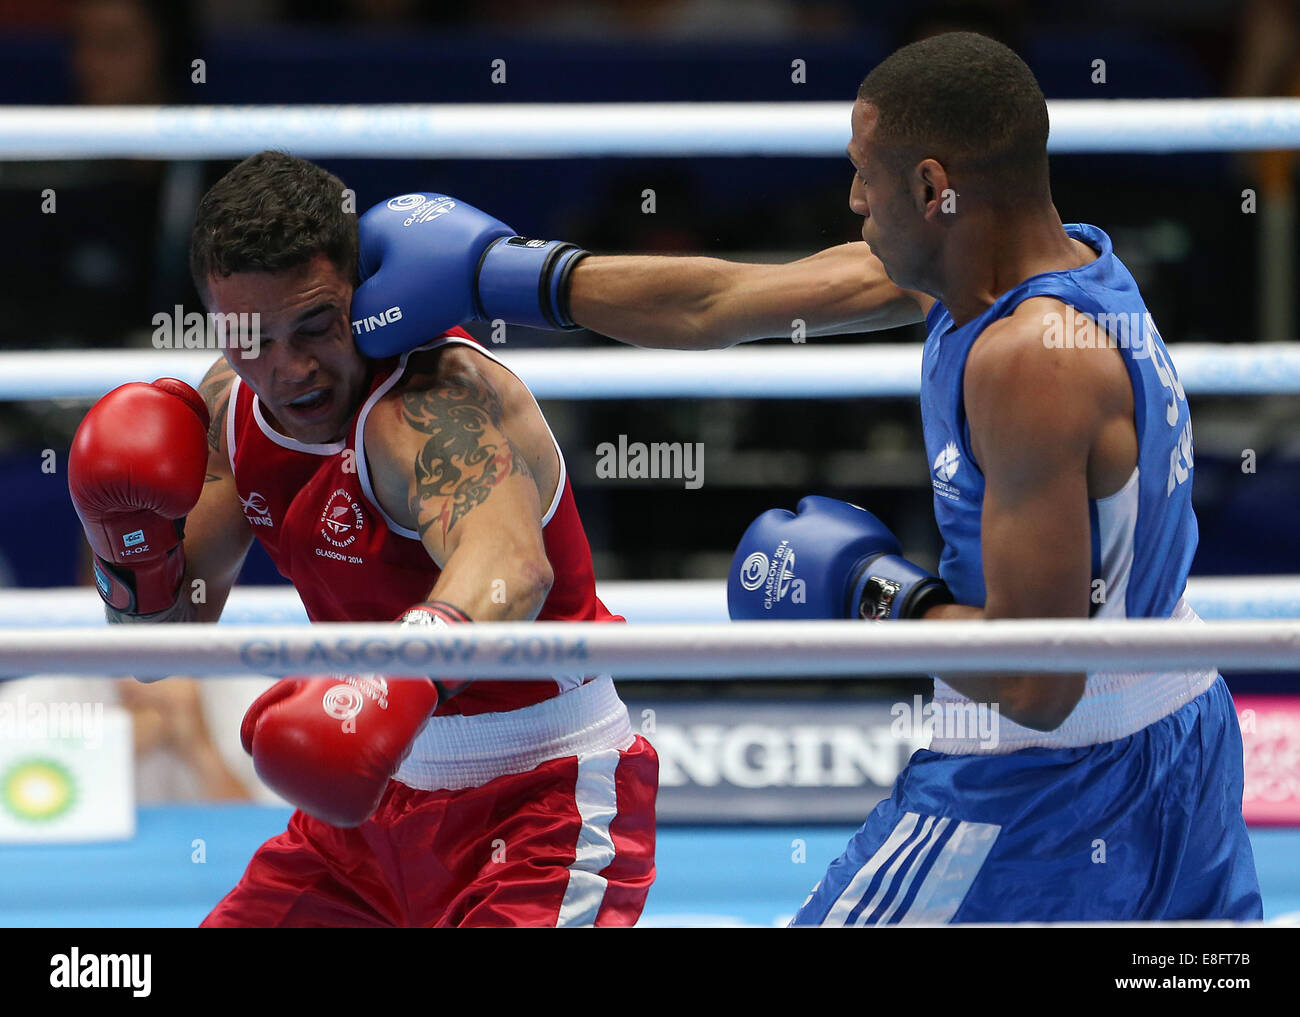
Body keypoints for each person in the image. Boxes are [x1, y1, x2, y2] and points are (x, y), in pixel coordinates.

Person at [350, 31, 1263, 924]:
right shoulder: (1025, 268)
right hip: (1184, 733)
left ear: (932, 185)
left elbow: (1037, 679)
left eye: (866, 172)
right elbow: (721, 302)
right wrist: (507, 278)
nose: (854, 197)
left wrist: (876, 595)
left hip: (1041, 774)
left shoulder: (1028, 359)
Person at [66, 151, 657, 928]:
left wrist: (387, 682)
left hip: (537, 794)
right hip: (364, 817)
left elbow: (510, 564)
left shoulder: (429, 398)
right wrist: (127, 549)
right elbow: (162, 646)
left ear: (360, 289)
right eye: (251, 337)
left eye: (315, 324)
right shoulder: (232, 409)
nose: (290, 368)